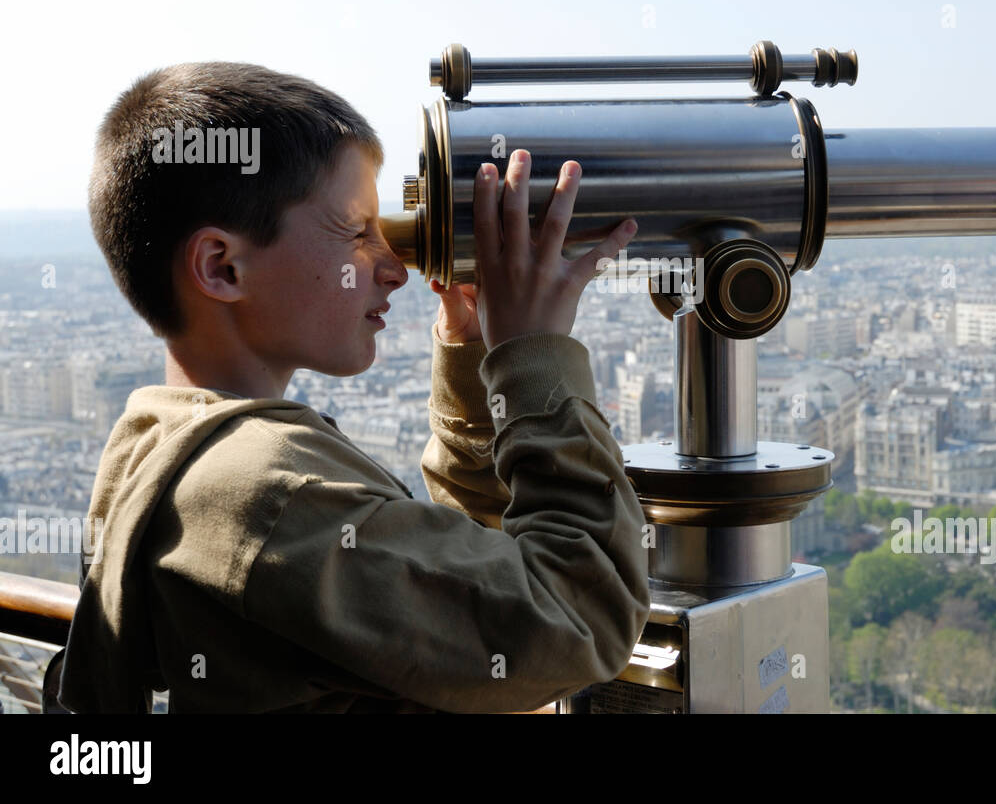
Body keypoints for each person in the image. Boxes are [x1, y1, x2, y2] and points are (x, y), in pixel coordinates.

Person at [57, 62, 649, 712]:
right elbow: (580, 618)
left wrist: (474, 360)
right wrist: (534, 354)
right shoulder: (270, 498)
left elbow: (452, 592)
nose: (395, 268)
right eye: (356, 230)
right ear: (223, 268)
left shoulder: (159, 444)